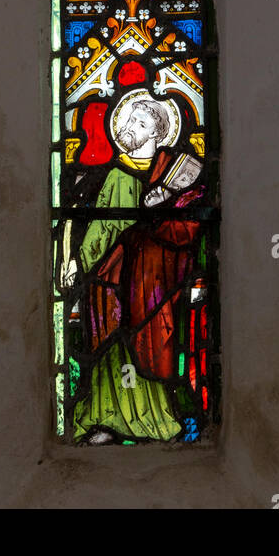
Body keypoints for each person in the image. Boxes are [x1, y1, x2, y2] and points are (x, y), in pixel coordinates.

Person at [68, 93, 201, 443]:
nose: (130, 128)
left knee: (149, 342)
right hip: (111, 278)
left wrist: (163, 206)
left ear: (158, 133)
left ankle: (153, 418)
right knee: (112, 342)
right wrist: (78, 263)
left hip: (154, 280)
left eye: (140, 123)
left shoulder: (170, 170)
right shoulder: (114, 174)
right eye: (128, 122)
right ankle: (103, 416)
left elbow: (189, 225)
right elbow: (99, 231)